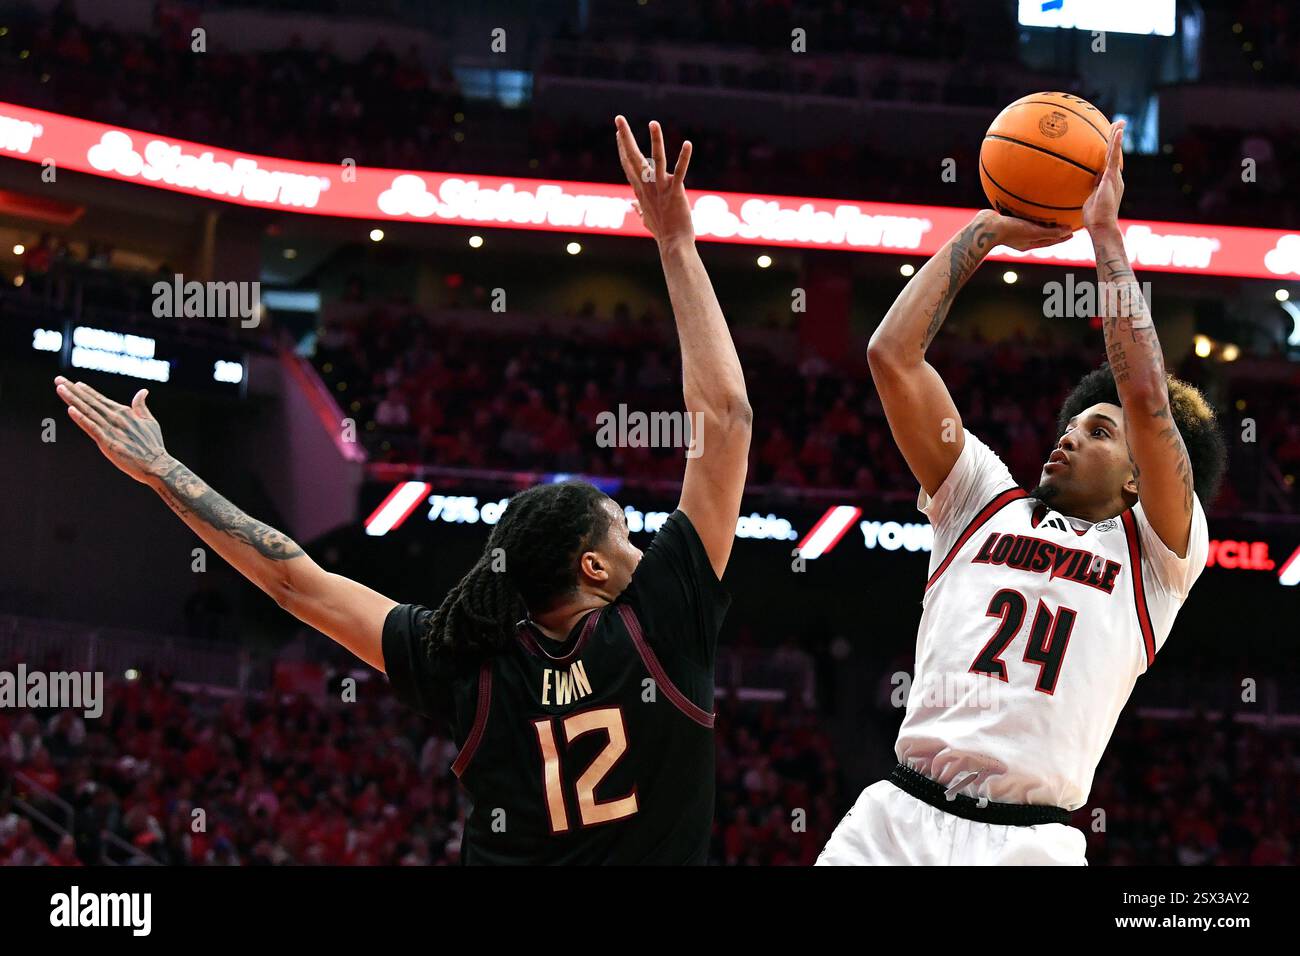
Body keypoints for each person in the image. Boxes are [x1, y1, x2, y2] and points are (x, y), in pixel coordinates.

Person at [53, 116, 752, 865]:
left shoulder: (467, 660)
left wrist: (165, 472)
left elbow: (295, 583)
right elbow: (727, 416)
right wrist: (676, 243)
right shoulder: (663, 622)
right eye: (623, 532)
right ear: (591, 566)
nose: (640, 546)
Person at [818, 121, 1227, 865]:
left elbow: (1144, 394)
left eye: (1099, 433)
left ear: (1140, 479)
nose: (1068, 436)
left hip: (1028, 845)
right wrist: (982, 234)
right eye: (1072, 425)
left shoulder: (1158, 553)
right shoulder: (979, 498)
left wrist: (1104, 235)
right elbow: (892, 355)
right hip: (895, 820)